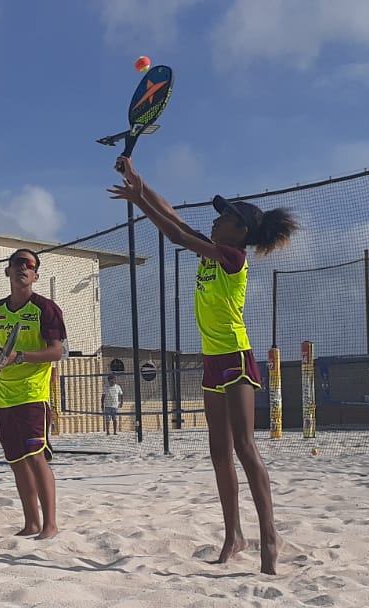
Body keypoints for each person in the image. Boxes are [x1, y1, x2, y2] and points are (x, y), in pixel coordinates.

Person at [109, 156, 298, 575]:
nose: (215, 221)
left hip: (236, 357)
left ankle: (269, 536)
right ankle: (234, 535)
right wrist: (140, 182)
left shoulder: (233, 259)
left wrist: (138, 200)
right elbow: (174, 217)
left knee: (244, 447)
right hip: (212, 360)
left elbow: (175, 232)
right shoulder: (211, 252)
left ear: (241, 231)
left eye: (224, 217)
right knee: (218, 452)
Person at [0, 248, 67, 540]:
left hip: (33, 395)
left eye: (29, 265)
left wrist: (20, 357)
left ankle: (50, 524)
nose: (23, 267)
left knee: (35, 457)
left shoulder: (45, 308)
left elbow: (57, 352)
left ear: (35, 275)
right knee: (16, 461)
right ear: (7, 271)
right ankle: (31, 523)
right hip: (5, 396)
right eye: (17, 263)